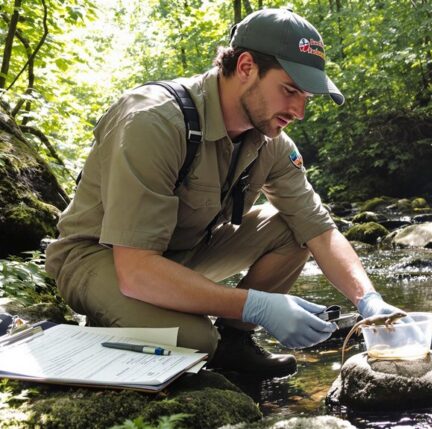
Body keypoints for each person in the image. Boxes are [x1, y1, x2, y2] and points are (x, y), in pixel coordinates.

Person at [44, 8, 406, 379]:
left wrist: (368, 299)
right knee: (196, 340)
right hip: (98, 258)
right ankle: (134, 322)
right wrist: (256, 305)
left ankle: (234, 343)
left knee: (293, 230)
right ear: (246, 66)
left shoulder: (271, 141)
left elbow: (319, 230)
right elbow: (135, 270)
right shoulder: (153, 121)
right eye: (290, 90)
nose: (299, 110)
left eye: (306, 96)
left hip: (182, 253)